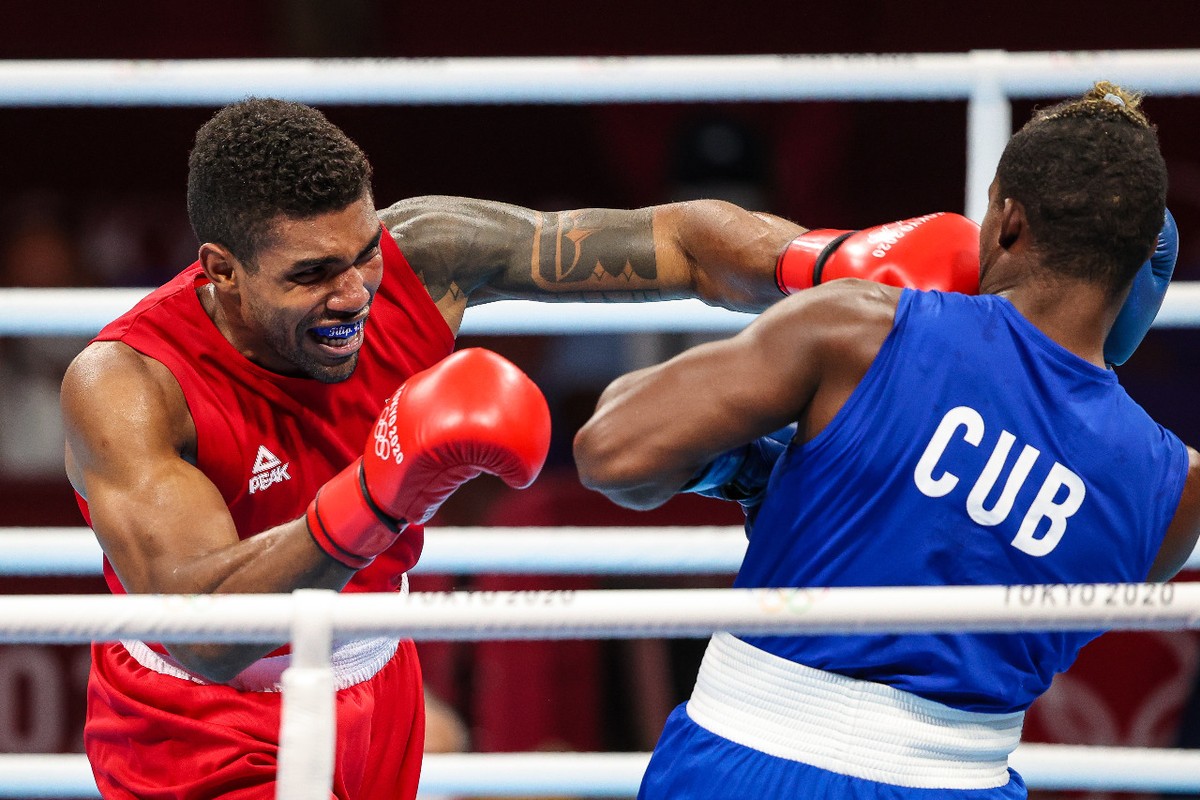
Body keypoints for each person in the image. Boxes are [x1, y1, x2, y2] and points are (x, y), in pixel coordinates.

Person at [60, 98, 984, 799]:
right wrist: (379, 492)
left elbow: (678, 242)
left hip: (378, 679)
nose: (353, 295)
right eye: (311, 275)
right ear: (220, 268)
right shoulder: (129, 384)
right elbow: (204, 633)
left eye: (364, 252)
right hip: (201, 723)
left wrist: (820, 264)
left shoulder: (428, 258)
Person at [572, 82, 1200, 798]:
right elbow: (1001, 527)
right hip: (960, 782)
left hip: (746, 760)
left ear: (1009, 224)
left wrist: (749, 472)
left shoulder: (861, 328)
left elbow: (611, 452)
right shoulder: (1176, 489)